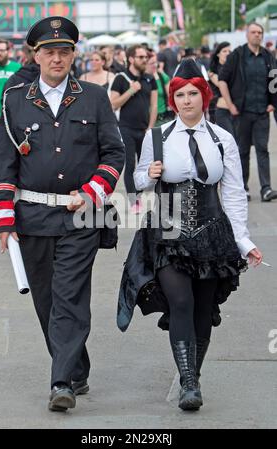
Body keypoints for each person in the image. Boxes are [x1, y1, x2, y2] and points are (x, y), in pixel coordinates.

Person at [0, 16, 124, 412]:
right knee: (46, 301)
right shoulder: (14, 99)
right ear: (36, 55)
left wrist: (91, 192)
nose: (57, 58)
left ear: (73, 55)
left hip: (80, 215)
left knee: (69, 297)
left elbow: (114, 153)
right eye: (49, 51)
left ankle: (61, 382)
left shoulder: (95, 97)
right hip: (32, 216)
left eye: (64, 51)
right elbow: (4, 164)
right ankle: (76, 366)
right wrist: (3, 222)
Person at [130, 59, 262, 411]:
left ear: (204, 96)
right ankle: (188, 381)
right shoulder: (156, 137)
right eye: (180, 95)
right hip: (167, 231)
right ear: (172, 100)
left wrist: (244, 242)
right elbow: (138, 181)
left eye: (193, 94)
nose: (187, 101)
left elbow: (233, 194)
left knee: (204, 309)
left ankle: (193, 376)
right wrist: (150, 175)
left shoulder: (223, 140)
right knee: (182, 303)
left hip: (212, 233)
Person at [219, 22, 277, 202]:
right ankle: (242, 188)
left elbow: (274, 81)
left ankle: (266, 188)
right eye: (254, 32)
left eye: (260, 32)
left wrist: (273, 103)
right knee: (242, 151)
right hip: (242, 112)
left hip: (262, 112)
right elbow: (222, 80)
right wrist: (230, 104)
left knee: (262, 150)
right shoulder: (237, 55)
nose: (257, 35)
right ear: (247, 35)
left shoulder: (268, 56)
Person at [110, 45, 158, 213]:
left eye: (146, 57)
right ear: (131, 59)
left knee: (145, 165)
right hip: (126, 128)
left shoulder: (150, 79)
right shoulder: (121, 78)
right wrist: (131, 90)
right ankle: (134, 201)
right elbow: (113, 105)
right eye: (140, 57)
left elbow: (154, 105)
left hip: (145, 129)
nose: (145, 60)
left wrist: (151, 128)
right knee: (130, 164)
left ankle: (146, 196)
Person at [208, 42, 233, 134]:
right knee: (229, 138)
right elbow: (221, 84)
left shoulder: (234, 68)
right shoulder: (213, 70)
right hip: (220, 108)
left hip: (235, 108)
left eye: (229, 51)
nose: (227, 53)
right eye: (224, 51)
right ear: (218, 53)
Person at [146, 51, 175, 126]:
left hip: (162, 119)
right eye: (152, 63)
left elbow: (171, 97)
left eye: (156, 62)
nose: (155, 65)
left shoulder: (163, 77)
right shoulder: (141, 79)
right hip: (145, 120)